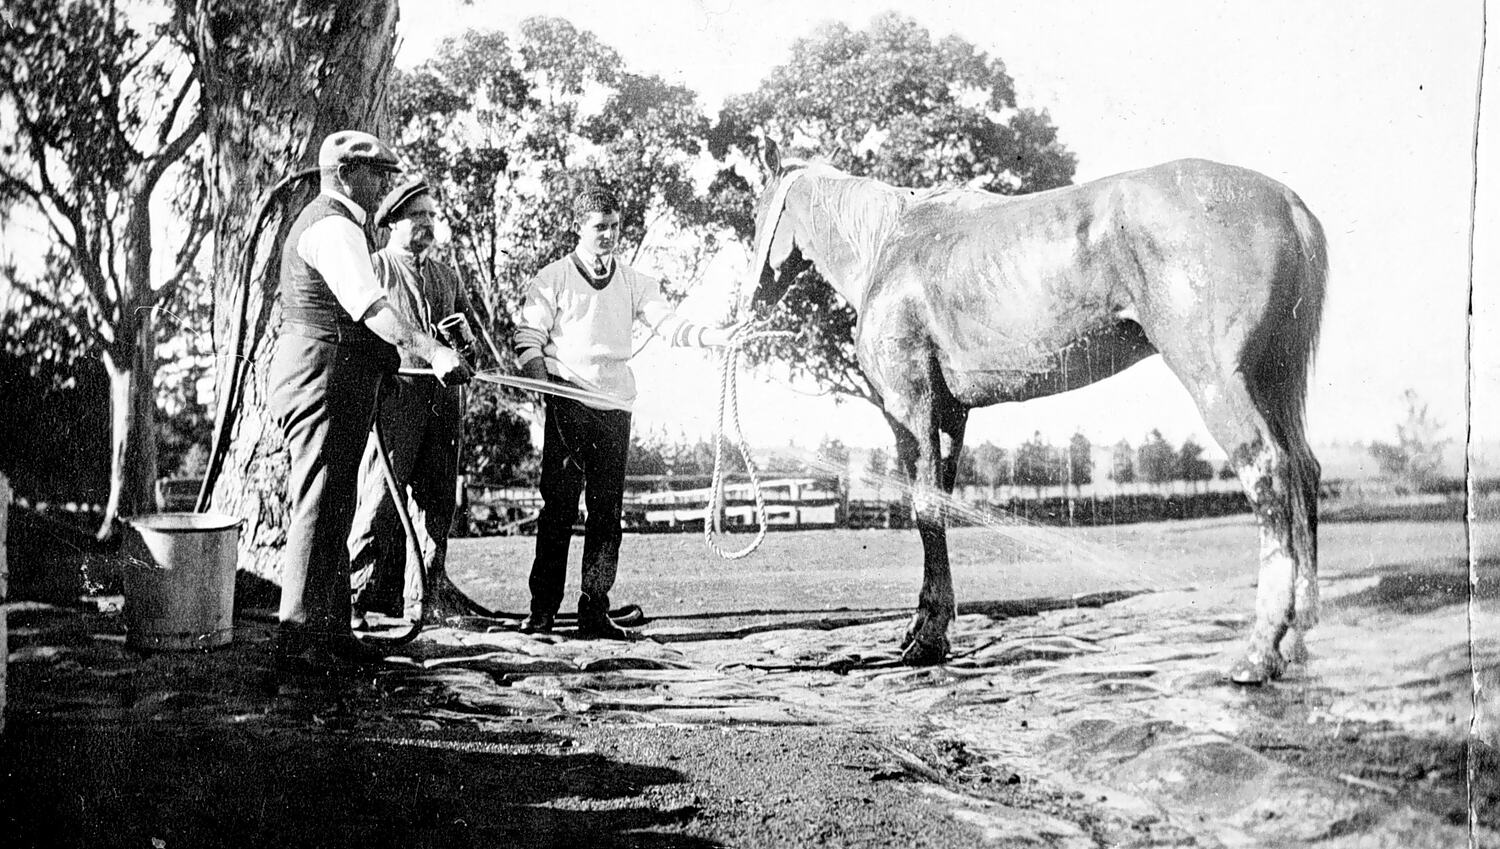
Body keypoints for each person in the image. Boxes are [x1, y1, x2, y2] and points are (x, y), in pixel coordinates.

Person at [267, 130, 471, 672]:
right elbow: (373, 309)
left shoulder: (344, 224)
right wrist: (434, 352)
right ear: (347, 173)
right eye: (378, 172)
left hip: (341, 379)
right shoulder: (332, 226)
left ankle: (332, 632)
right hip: (321, 376)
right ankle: (300, 640)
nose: (384, 182)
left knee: (335, 503)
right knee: (319, 500)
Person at [513, 184, 739, 639]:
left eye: (614, 226)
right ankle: (542, 613)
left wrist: (715, 337)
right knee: (558, 509)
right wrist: (546, 385)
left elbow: (669, 323)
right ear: (579, 229)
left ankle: (595, 609)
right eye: (599, 227)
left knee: (606, 513)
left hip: (615, 408)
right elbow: (527, 341)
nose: (608, 235)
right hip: (568, 404)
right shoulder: (552, 278)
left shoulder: (635, 281)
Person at [347, 178, 487, 626]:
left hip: (443, 404)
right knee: (379, 501)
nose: (427, 224)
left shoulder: (447, 275)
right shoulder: (375, 268)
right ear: (391, 222)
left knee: (437, 504)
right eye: (417, 216)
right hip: (395, 398)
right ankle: (355, 598)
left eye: (431, 216)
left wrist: (465, 351)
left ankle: (424, 600)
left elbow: (472, 340)